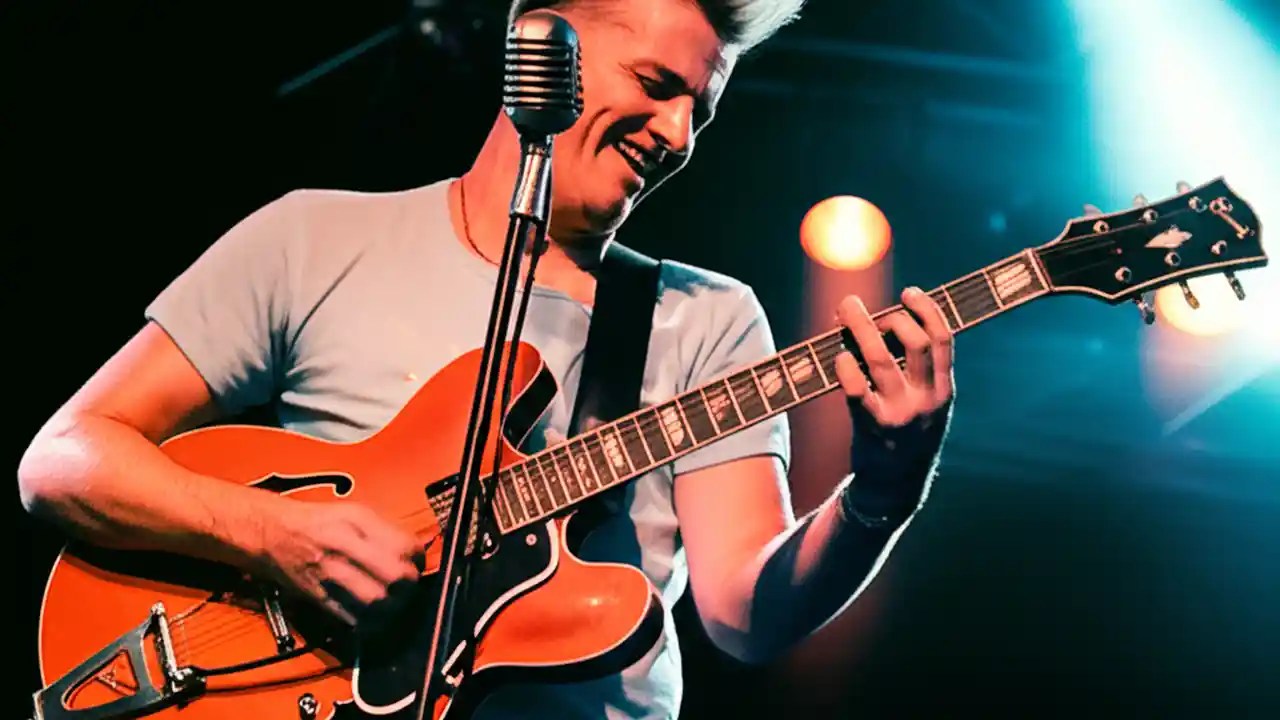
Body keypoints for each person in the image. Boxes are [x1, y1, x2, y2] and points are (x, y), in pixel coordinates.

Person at [17, 0, 955, 717]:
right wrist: (275, 535)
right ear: (542, 50)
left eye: (699, 114)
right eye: (659, 86)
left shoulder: (708, 318)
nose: (677, 137)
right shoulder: (310, 239)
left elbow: (743, 618)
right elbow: (63, 460)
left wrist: (881, 495)